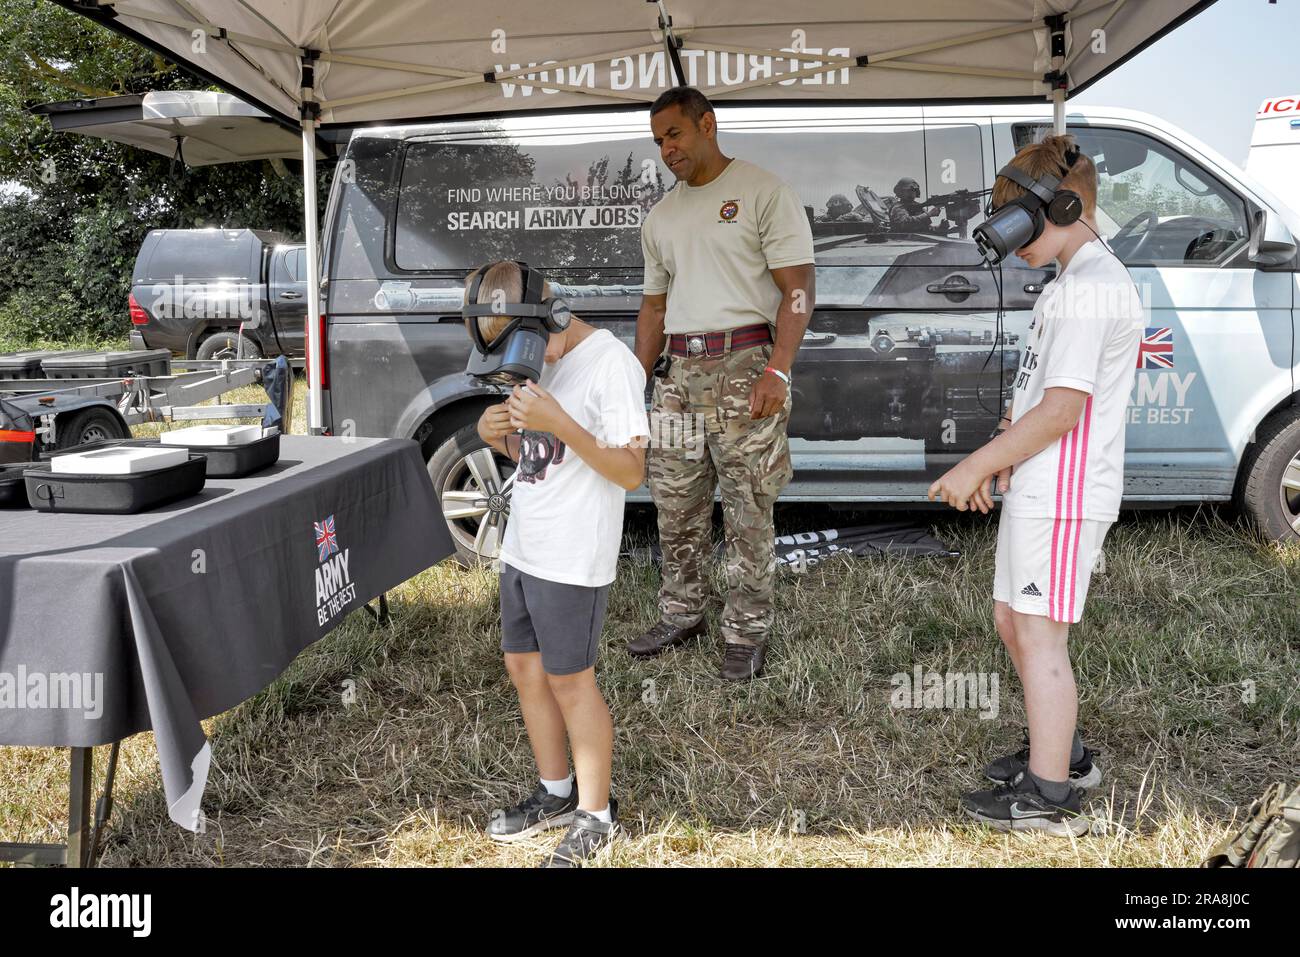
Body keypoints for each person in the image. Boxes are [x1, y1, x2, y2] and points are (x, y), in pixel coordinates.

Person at [927, 134, 1142, 836]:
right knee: (1011, 621)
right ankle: (1065, 751)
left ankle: (1051, 795)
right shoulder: (1069, 284)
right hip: (1040, 484)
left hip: (1067, 490)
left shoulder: (1092, 290)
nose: (1010, 241)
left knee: (1041, 636)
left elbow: (1063, 410)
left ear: (1068, 205)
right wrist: (1007, 458)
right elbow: (1040, 396)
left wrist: (977, 462)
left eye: (1021, 221)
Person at [468, 260, 650, 866]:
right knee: (525, 670)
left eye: (527, 349)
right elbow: (538, 457)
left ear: (555, 317)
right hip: (525, 546)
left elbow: (629, 471)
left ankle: (595, 815)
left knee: (572, 681)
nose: (527, 365)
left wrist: (560, 422)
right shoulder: (539, 360)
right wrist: (501, 438)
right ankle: (554, 791)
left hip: (573, 557)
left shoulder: (611, 365)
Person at [631, 86, 816, 681]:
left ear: (707, 125)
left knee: (747, 505)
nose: (667, 149)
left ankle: (746, 629)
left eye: (675, 134)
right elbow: (653, 309)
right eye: (659, 140)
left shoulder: (763, 191)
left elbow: (799, 289)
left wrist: (778, 369)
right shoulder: (661, 216)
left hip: (744, 367)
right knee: (676, 503)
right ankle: (683, 612)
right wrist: (636, 383)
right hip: (678, 374)